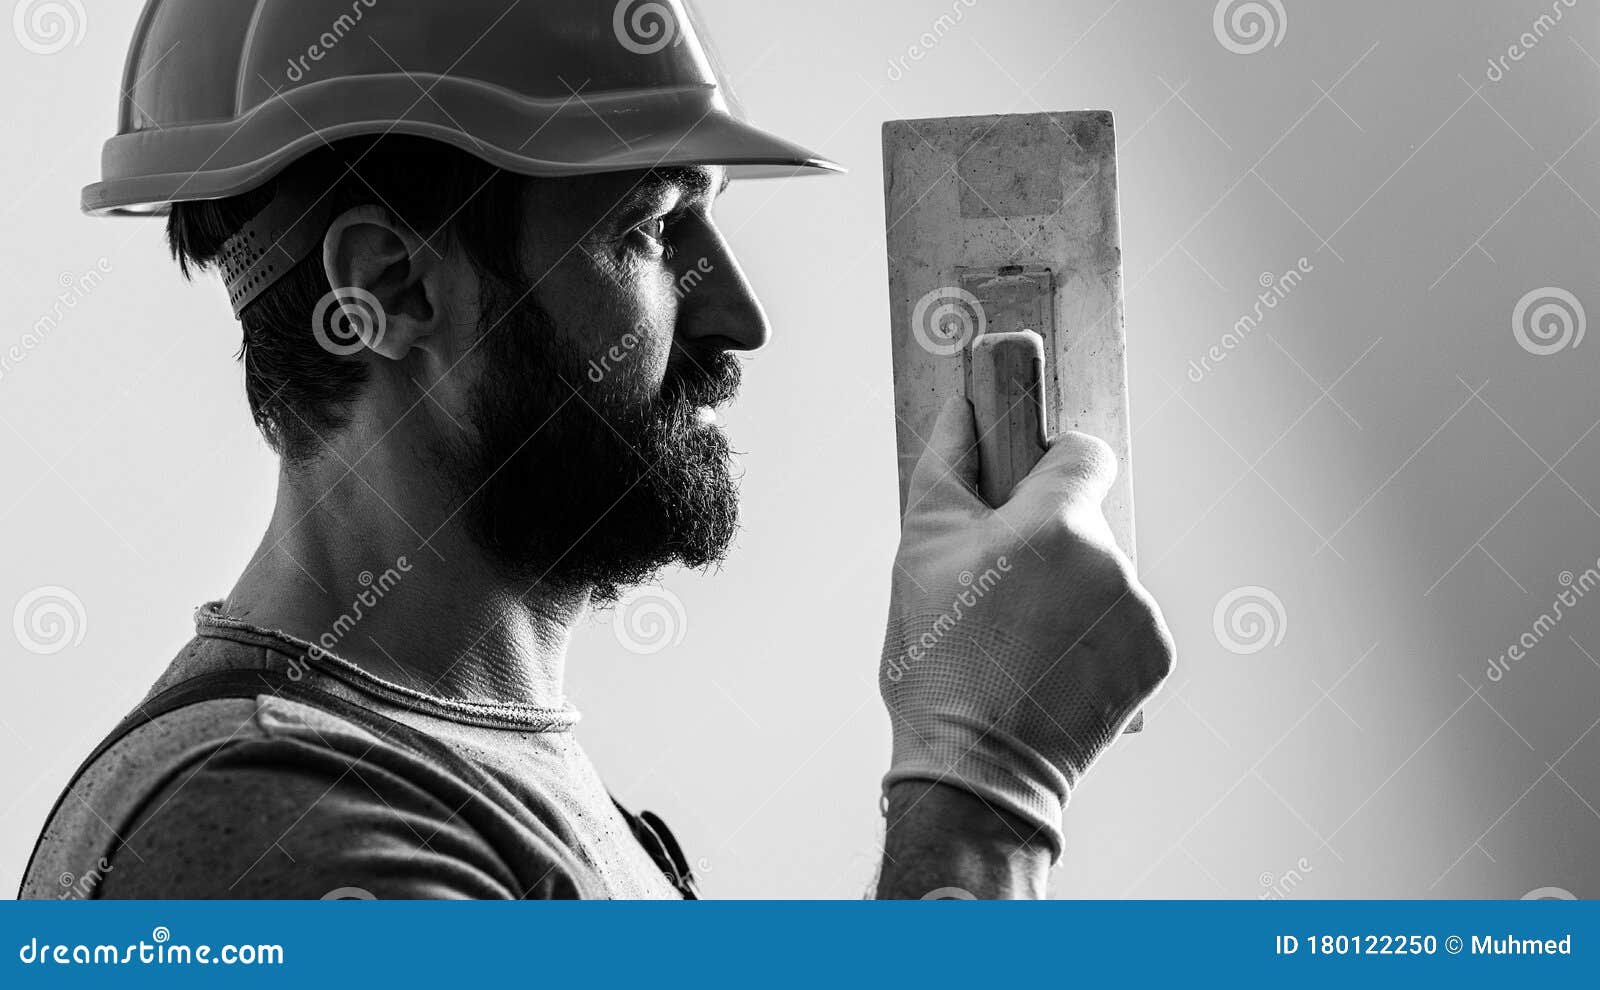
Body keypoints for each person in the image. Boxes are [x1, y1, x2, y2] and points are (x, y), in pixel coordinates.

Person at [20, 0, 1173, 900]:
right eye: (652, 229)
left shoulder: (472, 787)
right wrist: (983, 788)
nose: (738, 320)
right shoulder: (268, 833)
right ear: (388, 284)